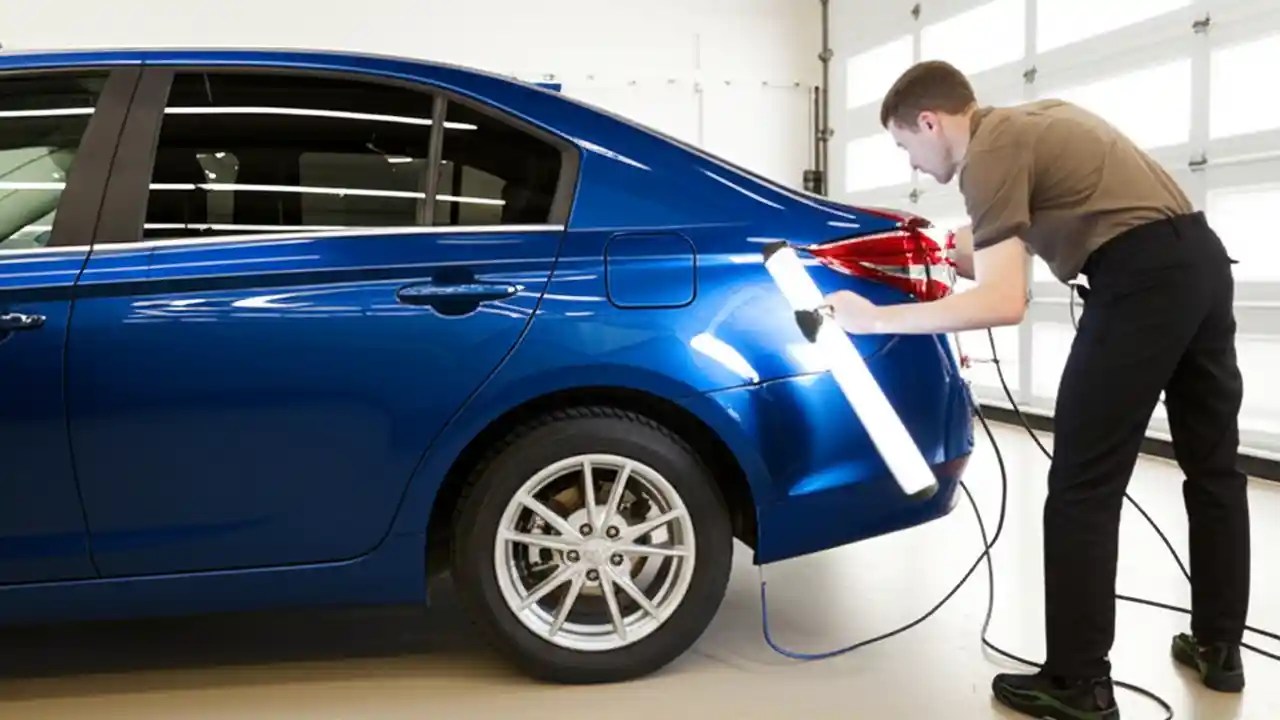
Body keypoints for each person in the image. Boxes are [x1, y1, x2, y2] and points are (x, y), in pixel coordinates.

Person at [823, 60, 1252, 719]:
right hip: (1199, 263)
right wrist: (932, 250)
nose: (909, 162)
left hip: (1140, 281)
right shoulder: (1027, 123)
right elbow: (990, 242)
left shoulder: (987, 156)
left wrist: (875, 318)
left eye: (904, 144)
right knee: (1214, 470)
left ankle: (1078, 683)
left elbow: (1003, 297)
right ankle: (1219, 648)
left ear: (931, 122)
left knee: (1081, 486)